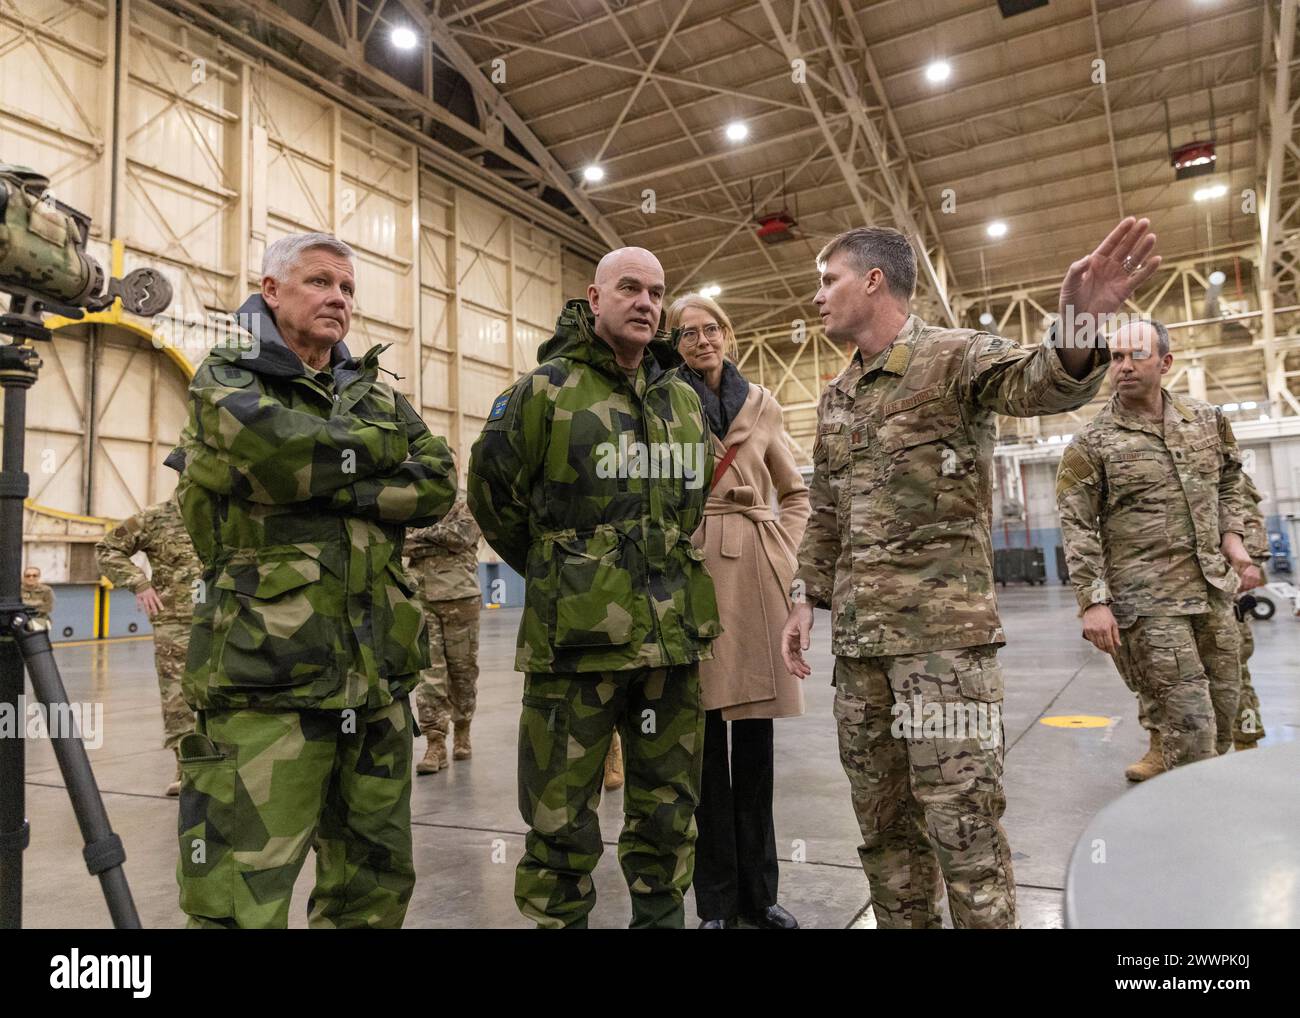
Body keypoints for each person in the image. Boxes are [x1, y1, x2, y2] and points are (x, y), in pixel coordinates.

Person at [782, 218, 1163, 930]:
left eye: (826, 279)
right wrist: (805, 598)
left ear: (872, 280)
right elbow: (827, 510)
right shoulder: (837, 397)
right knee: (884, 833)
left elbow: (1042, 384)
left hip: (943, 656)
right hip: (861, 657)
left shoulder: (952, 356)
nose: (816, 297)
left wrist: (1079, 319)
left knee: (964, 832)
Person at [164, 231, 456, 928]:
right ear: (270, 290)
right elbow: (276, 452)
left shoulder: (371, 388)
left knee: (373, 888)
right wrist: (379, 459)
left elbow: (440, 480)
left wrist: (331, 483)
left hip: (376, 676)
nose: (338, 299)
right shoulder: (228, 374)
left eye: (348, 289)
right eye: (320, 282)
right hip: (266, 679)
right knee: (238, 895)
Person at [468, 246, 720, 929]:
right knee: (560, 822)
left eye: (657, 292)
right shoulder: (543, 391)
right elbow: (494, 498)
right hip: (574, 648)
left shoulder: (684, 402)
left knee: (669, 815)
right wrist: (568, 572)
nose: (646, 302)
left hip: (671, 644)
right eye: (630, 288)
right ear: (595, 296)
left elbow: (692, 501)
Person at [1057, 319, 1260, 778]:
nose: (1123, 367)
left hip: (1211, 589)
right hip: (1147, 603)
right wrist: (1093, 603)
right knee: (1191, 722)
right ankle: (1189, 825)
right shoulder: (1091, 443)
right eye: (1116, 358)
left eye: (1135, 356)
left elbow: (1230, 481)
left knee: (1225, 703)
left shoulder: (1208, 422)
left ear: (1165, 362)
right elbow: (1077, 525)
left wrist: (1234, 535)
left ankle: (1183, 779)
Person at [668, 293, 810, 930]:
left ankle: (762, 893)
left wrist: (784, 552)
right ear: (675, 345)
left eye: (711, 329)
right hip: (692, 576)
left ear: (728, 334)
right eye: (687, 333)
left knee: (756, 747)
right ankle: (716, 902)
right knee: (701, 754)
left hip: (755, 578)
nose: (701, 340)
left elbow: (797, 493)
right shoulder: (664, 402)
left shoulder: (763, 404)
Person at [95, 494, 202, 795]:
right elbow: (107, 548)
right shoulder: (157, 517)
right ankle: (188, 770)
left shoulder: (228, 509)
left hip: (227, 616)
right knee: (178, 698)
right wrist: (139, 583)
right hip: (176, 620)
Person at [406, 495, 483, 774]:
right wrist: (436, 538)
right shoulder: (416, 505)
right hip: (421, 597)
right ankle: (434, 743)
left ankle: (463, 730)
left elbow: (460, 536)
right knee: (429, 674)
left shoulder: (466, 504)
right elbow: (403, 542)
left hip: (460, 599)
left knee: (463, 671)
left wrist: (421, 535)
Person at [1233, 473, 1271, 750]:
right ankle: (1163, 745)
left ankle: (1247, 740)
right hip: (1165, 588)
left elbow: (1250, 515)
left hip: (1224, 585)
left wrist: (1253, 561)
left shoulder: (1219, 460)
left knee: (1235, 673)